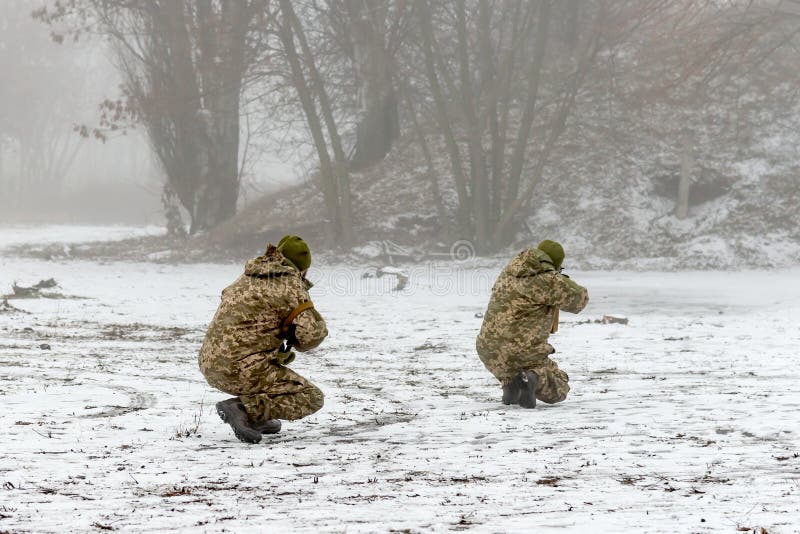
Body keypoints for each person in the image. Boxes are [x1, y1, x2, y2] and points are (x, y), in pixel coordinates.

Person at [198, 235, 328, 443]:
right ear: (303, 268)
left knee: (272, 373)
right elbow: (311, 336)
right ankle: (243, 410)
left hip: (210, 364)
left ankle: (256, 418)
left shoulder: (249, 275)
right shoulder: (290, 285)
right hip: (240, 371)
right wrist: (293, 338)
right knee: (311, 397)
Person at [476, 240, 589, 408]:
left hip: (488, 349)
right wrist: (559, 277)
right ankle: (532, 379)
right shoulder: (548, 280)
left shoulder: (509, 272)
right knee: (559, 386)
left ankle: (511, 387)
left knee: (510, 365)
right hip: (522, 351)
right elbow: (580, 300)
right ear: (555, 262)